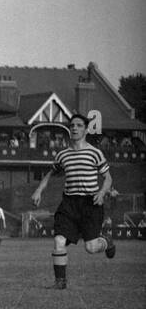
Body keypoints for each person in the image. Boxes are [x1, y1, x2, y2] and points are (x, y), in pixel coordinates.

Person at [31, 113, 115, 289]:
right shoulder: (63, 155)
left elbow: (108, 178)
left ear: (85, 129)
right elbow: (51, 173)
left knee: (91, 248)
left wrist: (102, 192)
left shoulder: (95, 153)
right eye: (72, 126)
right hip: (69, 204)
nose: (74, 128)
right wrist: (39, 190)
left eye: (78, 125)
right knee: (58, 241)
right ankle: (60, 282)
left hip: (90, 204)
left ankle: (106, 241)